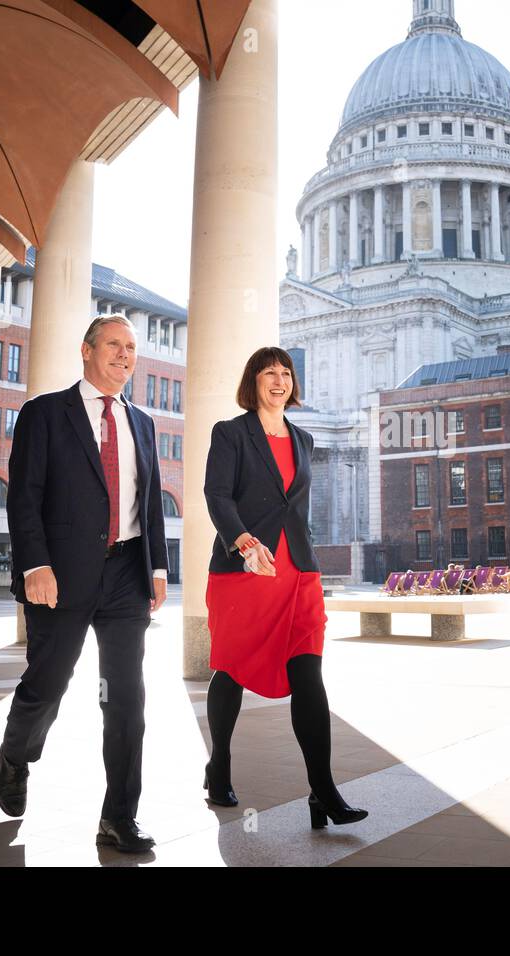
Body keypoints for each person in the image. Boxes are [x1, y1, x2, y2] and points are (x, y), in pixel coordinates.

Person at [0, 313, 168, 854]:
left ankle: (119, 816)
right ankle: (16, 755)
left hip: (126, 576)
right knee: (48, 682)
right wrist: (34, 565)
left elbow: (152, 502)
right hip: (62, 574)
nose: (125, 355)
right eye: (114, 345)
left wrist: (157, 568)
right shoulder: (44, 414)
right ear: (87, 350)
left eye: (131, 349)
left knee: (125, 699)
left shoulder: (143, 422)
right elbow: (24, 497)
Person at [201, 346, 368, 829]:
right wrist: (244, 542)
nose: (279, 381)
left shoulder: (305, 440)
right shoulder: (231, 434)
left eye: (286, 374)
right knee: (230, 669)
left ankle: (323, 790)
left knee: (308, 674)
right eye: (269, 373)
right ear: (252, 382)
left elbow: (295, 508)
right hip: (245, 572)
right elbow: (217, 495)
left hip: (298, 572)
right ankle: (220, 765)